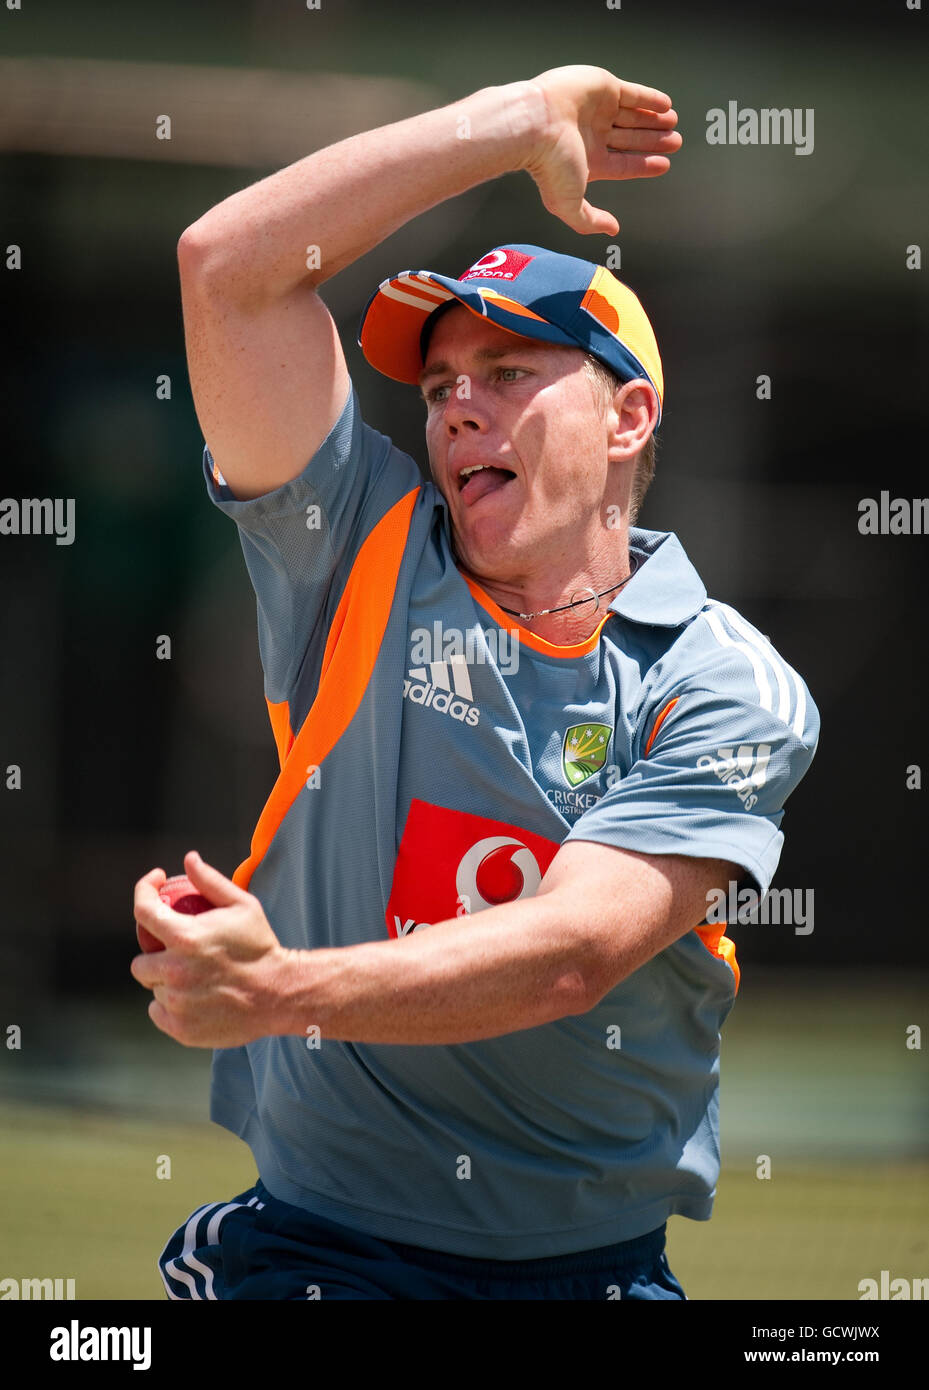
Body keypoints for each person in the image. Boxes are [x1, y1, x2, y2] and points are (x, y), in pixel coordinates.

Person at [132, 65, 819, 1301]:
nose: (457, 409)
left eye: (507, 372)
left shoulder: (728, 686)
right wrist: (508, 124)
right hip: (317, 1247)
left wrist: (275, 989)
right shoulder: (356, 545)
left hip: (591, 1271)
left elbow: (568, 954)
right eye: (441, 383)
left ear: (628, 419)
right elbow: (225, 267)